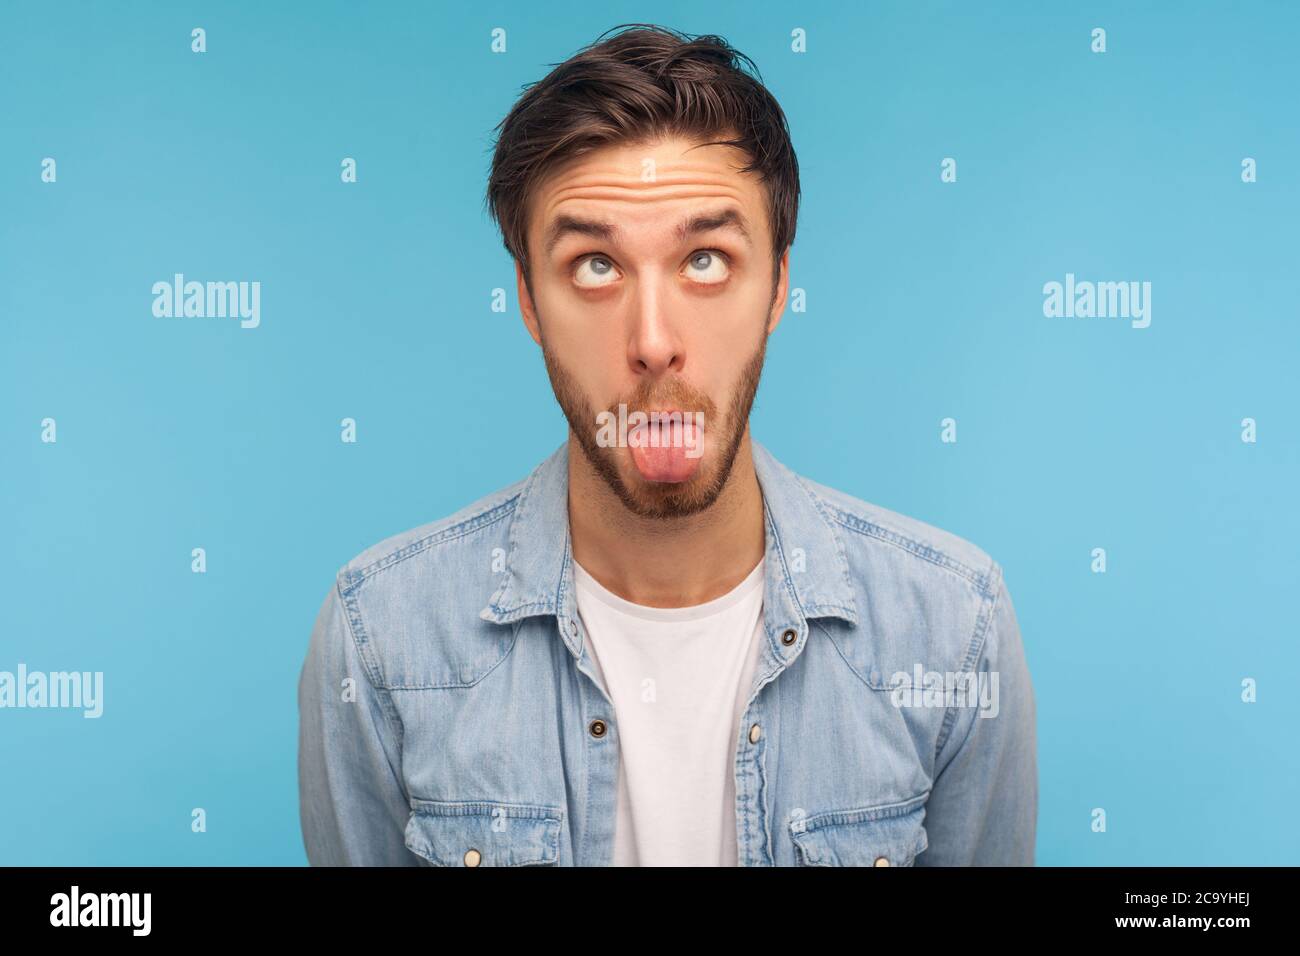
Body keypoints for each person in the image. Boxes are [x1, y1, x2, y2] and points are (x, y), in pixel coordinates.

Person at [298, 23, 1037, 867]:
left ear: (778, 287)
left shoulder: (952, 630)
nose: (654, 341)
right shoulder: (380, 639)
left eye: (707, 260)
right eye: (595, 266)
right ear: (530, 303)